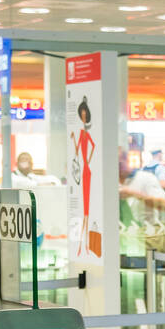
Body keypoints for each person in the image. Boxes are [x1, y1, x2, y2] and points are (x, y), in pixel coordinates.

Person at [70, 96, 95, 256]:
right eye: (82, 113)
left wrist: (88, 161)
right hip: (83, 171)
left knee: (86, 209)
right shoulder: (80, 132)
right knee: (83, 209)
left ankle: (84, 245)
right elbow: (77, 150)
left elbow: (93, 146)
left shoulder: (85, 132)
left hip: (87, 171)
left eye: (85, 113)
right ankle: (82, 245)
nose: (84, 116)